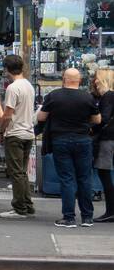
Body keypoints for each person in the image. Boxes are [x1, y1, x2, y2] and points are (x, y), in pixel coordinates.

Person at [38, 68, 101, 228]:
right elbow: (97, 119)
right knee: (84, 178)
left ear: (64, 79)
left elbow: (41, 117)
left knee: (67, 179)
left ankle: (69, 217)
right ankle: (87, 217)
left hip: (61, 140)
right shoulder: (87, 97)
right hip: (83, 140)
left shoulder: (54, 96)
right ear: (79, 80)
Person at [0, 55, 36, 220]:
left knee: (16, 172)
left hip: (15, 134)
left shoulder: (13, 88)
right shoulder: (28, 85)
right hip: (28, 132)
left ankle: (19, 207)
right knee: (22, 172)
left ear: (6, 69)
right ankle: (27, 205)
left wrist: (0, 130)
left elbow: (7, 115)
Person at [91, 68, 114, 224]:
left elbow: (103, 119)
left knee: (104, 174)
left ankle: (111, 211)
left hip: (107, 140)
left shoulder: (108, 96)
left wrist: (92, 127)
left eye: (97, 78)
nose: (95, 81)